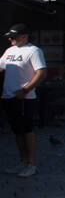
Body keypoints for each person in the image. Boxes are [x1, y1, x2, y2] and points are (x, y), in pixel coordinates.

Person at [2, 24, 48, 178]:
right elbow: (2, 67)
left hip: (24, 97)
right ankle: (23, 160)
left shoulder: (33, 51)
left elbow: (41, 72)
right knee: (17, 131)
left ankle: (31, 164)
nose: (10, 39)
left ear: (24, 36)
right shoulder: (10, 51)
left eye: (13, 37)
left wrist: (26, 89)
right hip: (8, 96)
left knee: (27, 130)